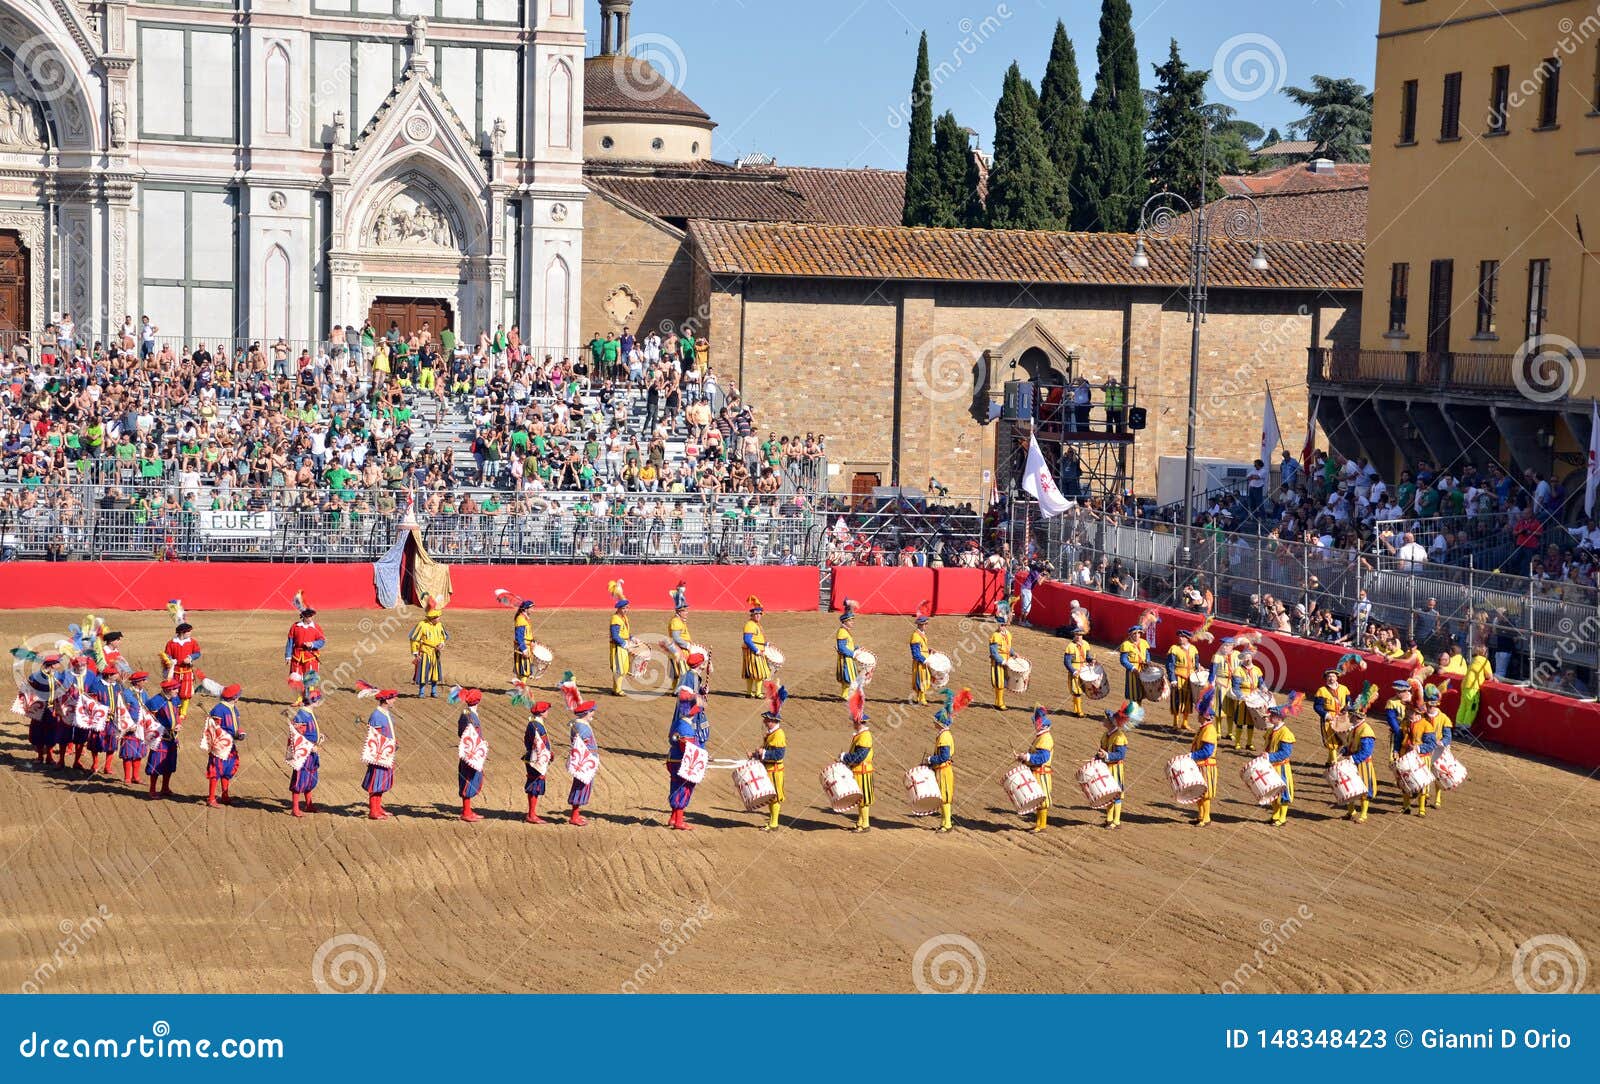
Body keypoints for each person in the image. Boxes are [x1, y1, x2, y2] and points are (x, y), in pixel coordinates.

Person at [925, 688, 970, 833]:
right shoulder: (944, 735)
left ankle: (947, 824)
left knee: (945, 797)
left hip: (944, 770)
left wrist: (930, 759)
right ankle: (945, 823)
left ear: (940, 723)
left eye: (935, 722)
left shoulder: (944, 737)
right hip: (942, 769)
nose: (934, 724)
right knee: (943, 797)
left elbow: (943, 756)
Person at [666, 687, 709, 830]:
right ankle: (679, 821)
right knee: (683, 789)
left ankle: (673, 818)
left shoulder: (678, 723)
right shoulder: (686, 728)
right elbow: (689, 750)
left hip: (673, 759)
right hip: (682, 763)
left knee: (675, 787)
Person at [1096, 701, 1141, 829]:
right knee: (1108, 794)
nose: (1104, 720)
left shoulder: (1119, 737)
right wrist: (1097, 758)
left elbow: (1120, 755)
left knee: (1116, 795)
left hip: (1115, 769)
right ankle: (1109, 819)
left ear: (1111, 722)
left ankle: (1116, 821)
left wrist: (1107, 756)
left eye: (1106, 719)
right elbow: (1102, 750)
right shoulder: (1106, 735)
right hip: (1107, 768)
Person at [1262, 695, 1303, 827]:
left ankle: (1283, 817)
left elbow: (1285, 753)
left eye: (1272, 715)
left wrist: (1269, 757)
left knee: (1283, 793)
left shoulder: (1285, 733)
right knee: (1273, 792)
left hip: (1281, 767)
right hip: (1272, 767)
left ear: (1279, 718)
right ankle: (1275, 814)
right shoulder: (1272, 730)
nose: (1269, 717)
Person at [753, 681, 787, 831]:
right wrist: (755, 755)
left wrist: (763, 753)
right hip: (770, 769)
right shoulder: (772, 733)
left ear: (773, 721)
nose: (764, 721)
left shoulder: (778, 734)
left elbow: (779, 754)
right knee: (771, 797)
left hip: (775, 770)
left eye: (767, 719)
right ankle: (773, 822)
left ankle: (774, 823)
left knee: (774, 797)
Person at [204, 683, 244, 809]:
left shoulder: (233, 709)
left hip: (230, 744)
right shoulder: (218, 710)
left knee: (227, 769)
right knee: (216, 771)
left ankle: (225, 796)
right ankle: (211, 798)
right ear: (235, 697)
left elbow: (236, 725)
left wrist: (239, 733)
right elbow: (214, 729)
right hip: (220, 746)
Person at [288, 675, 323, 818]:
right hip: (305, 753)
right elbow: (297, 737)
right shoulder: (302, 715)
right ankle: (295, 808)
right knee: (300, 779)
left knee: (310, 778)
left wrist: (319, 737)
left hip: (311, 752)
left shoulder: (307, 713)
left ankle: (308, 804)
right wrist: (310, 746)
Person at [362, 688, 400, 820]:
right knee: (376, 781)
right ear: (386, 700)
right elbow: (375, 737)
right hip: (379, 754)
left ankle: (378, 807)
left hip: (387, 753)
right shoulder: (376, 716)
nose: (395, 700)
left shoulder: (386, 713)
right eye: (393, 698)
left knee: (382, 781)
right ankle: (373, 811)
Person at [840, 688, 874, 832]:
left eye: (854, 721)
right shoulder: (860, 735)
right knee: (860, 798)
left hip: (863, 771)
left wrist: (844, 758)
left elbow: (859, 757)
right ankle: (861, 822)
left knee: (863, 798)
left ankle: (865, 824)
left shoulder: (864, 737)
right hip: (859, 771)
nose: (853, 723)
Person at [1398, 699, 1438, 817]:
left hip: (1421, 758)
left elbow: (1431, 744)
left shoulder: (1426, 725)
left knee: (1422, 784)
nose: (1406, 711)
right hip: (1405, 756)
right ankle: (1406, 806)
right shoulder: (1404, 723)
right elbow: (1398, 740)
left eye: (1408, 710)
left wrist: (1418, 748)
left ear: (1416, 712)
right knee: (1405, 782)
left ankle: (1421, 809)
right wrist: (1395, 751)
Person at [145, 678, 182, 800]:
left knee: (170, 763)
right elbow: (148, 720)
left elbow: (177, 713)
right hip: (160, 738)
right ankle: (152, 789)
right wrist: (159, 729)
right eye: (175, 689)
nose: (177, 690)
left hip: (172, 737)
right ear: (168, 690)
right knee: (156, 764)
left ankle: (165, 787)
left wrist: (178, 723)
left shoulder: (175, 699)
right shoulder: (155, 701)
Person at [1019, 707, 1054, 832]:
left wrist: (1027, 757)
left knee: (1042, 799)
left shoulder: (1045, 739)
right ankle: (1039, 824)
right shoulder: (1041, 737)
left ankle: (1042, 825)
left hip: (1042, 774)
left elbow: (1042, 757)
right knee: (1038, 799)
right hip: (1037, 772)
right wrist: (1023, 758)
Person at [1342, 706, 1378, 823]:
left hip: (1362, 764)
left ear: (1356, 717)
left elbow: (1366, 752)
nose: (1348, 717)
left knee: (1364, 789)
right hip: (1353, 762)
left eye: (1350, 715)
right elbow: (1350, 744)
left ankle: (1363, 814)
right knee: (1350, 787)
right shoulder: (1355, 728)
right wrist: (1345, 750)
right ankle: (1351, 811)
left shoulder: (1366, 731)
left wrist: (1352, 758)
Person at [1189, 688, 1220, 827]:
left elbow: (1207, 751)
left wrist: (1192, 756)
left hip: (1206, 765)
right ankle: (1201, 815)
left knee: (1205, 794)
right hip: (1201, 764)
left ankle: (1206, 818)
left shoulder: (1209, 730)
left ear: (1205, 716)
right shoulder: (1204, 728)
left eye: (1200, 714)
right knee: (1199, 793)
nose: (1198, 716)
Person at [568, 696, 600, 826]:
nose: (593, 713)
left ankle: (575, 814)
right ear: (587, 713)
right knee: (582, 786)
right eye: (592, 711)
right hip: (585, 761)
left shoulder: (578, 724)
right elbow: (583, 746)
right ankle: (574, 816)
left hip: (584, 761)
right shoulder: (583, 728)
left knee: (581, 785)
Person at [161, 620, 203, 721]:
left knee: (186, 693)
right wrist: (170, 660)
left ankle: (183, 712)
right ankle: (175, 709)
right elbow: (167, 655)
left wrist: (191, 657)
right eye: (188, 632)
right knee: (174, 692)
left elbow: (197, 653)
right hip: (175, 672)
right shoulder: (171, 643)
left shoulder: (192, 642)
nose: (190, 633)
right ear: (182, 633)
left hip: (187, 671)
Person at [1421, 684, 1453, 812]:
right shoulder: (1422, 715)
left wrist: (1443, 742)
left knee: (1437, 774)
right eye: (1429, 705)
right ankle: (1425, 792)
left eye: (1432, 705)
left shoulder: (1444, 718)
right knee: (1424, 771)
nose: (1430, 707)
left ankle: (1438, 797)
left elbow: (1448, 736)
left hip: (1438, 750)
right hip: (1425, 748)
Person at [456, 688, 486, 822]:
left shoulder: (465, 713)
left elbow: (460, 732)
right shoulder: (471, 716)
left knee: (467, 778)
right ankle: (466, 812)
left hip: (467, 751)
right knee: (469, 779)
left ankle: (467, 810)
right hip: (471, 753)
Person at [116, 671, 151, 784]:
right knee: (128, 754)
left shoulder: (144, 694)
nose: (146, 682)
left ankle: (136, 777)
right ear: (138, 682)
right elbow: (122, 710)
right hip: (129, 728)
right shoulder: (127, 693)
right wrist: (129, 725)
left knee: (138, 753)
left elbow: (147, 709)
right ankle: (127, 778)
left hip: (141, 728)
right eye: (144, 680)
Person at [87, 664, 121, 775]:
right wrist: (105, 710)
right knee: (96, 742)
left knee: (112, 743)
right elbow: (92, 703)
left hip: (114, 721)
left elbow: (122, 702)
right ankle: (95, 764)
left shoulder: (118, 686)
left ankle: (107, 766)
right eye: (116, 673)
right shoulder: (96, 686)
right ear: (110, 675)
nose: (118, 675)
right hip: (100, 720)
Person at [1230, 647, 1266, 752]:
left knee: (1251, 721)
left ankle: (1249, 743)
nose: (1248, 658)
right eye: (1246, 656)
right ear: (1243, 658)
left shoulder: (1257, 669)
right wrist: (1241, 696)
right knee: (1240, 721)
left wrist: (1264, 689)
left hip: (1254, 697)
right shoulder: (1238, 670)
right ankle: (1237, 743)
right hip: (1243, 697)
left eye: (1249, 656)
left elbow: (1261, 683)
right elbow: (1235, 687)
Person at [523, 701, 553, 824]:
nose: (548, 712)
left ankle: (532, 813)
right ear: (542, 712)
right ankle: (531, 815)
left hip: (530, 756)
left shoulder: (532, 724)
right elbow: (542, 745)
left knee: (533, 783)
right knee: (535, 785)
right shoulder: (538, 726)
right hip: (536, 759)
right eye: (546, 710)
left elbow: (526, 741)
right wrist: (548, 754)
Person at [1312, 669, 1350, 767]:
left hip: (1342, 716)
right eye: (1329, 676)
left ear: (1337, 677)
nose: (1331, 678)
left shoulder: (1344, 689)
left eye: (1333, 676)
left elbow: (1349, 701)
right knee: (1331, 740)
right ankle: (1334, 762)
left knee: (1343, 739)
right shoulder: (1322, 690)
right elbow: (1317, 706)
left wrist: (1347, 707)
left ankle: (1329, 761)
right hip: (1329, 717)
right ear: (1326, 678)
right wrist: (1325, 714)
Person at [1166, 628, 1201, 732]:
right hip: (1178, 677)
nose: (1180, 638)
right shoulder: (1174, 649)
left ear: (1187, 638)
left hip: (1190, 678)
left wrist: (1199, 667)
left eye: (1183, 637)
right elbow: (1170, 665)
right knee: (1177, 699)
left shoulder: (1194, 649)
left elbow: (1196, 663)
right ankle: (1175, 723)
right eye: (1179, 636)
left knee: (1188, 701)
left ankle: (1185, 722)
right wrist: (1172, 679)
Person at [409, 606, 448, 698]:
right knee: (423, 672)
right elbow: (414, 639)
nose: (439, 618)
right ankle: (421, 692)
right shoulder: (421, 625)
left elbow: (443, 637)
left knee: (435, 672)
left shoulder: (439, 625)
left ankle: (433, 691)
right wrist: (415, 653)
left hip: (435, 652)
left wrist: (442, 644)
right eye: (438, 617)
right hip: (424, 652)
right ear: (432, 618)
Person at [285, 602, 326, 679]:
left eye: (311, 616)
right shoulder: (295, 627)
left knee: (310, 680)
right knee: (296, 680)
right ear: (303, 616)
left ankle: (309, 691)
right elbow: (290, 642)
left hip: (310, 657)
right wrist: (288, 656)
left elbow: (322, 641)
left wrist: (313, 644)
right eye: (308, 616)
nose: (311, 618)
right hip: (297, 657)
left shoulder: (316, 627)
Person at [741, 596, 772, 698]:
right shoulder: (750, 625)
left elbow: (756, 638)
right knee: (759, 672)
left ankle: (749, 693)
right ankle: (757, 693)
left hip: (756, 650)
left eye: (760, 614)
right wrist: (757, 650)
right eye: (756, 614)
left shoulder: (756, 625)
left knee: (751, 673)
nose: (758, 616)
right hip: (753, 652)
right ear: (752, 615)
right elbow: (747, 640)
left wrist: (765, 644)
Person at [1457, 643, 1492, 733]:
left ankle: (1458, 727)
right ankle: (1465, 729)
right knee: (1472, 707)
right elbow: (1489, 676)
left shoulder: (1474, 659)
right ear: (1484, 652)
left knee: (1463, 706)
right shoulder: (1484, 661)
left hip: (1465, 685)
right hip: (1473, 687)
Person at [1061, 627, 1094, 718]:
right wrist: (1073, 670)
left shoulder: (1086, 644)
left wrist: (1091, 660)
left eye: (1080, 635)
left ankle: (1077, 710)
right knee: (1077, 691)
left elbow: (1087, 657)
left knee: (1081, 690)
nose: (1079, 637)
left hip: (1083, 669)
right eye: (1077, 635)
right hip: (1075, 669)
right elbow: (1067, 661)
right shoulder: (1070, 646)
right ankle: (1078, 711)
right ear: (1074, 635)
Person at [607, 579, 632, 696]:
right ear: (619, 609)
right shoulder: (616, 619)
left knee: (621, 668)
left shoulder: (623, 618)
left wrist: (632, 637)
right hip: (618, 646)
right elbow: (615, 635)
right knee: (620, 669)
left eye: (627, 608)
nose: (626, 610)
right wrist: (624, 643)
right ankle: (617, 690)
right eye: (624, 608)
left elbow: (624, 632)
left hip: (622, 644)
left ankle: (615, 688)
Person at [988, 601, 1013, 711]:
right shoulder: (995, 635)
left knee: (1005, 682)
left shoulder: (1008, 634)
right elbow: (994, 652)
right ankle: (999, 703)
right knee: (1000, 682)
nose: (1001, 626)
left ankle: (999, 702)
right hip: (999, 662)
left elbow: (1008, 647)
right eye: (1000, 624)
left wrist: (1014, 653)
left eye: (1002, 625)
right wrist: (1002, 661)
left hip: (1007, 660)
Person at [667, 582, 693, 684]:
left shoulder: (680, 621)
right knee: (680, 671)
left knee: (680, 671)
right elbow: (676, 638)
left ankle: (677, 689)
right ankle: (677, 690)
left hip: (682, 649)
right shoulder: (676, 622)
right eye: (685, 610)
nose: (687, 612)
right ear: (679, 612)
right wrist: (687, 645)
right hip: (679, 649)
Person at [834, 601, 861, 700]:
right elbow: (842, 648)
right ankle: (847, 696)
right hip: (845, 659)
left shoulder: (845, 631)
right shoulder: (842, 632)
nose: (852, 622)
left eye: (853, 620)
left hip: (848, 658)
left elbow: (847, 646)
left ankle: (845, 695)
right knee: (849, 678)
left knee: (849, 678)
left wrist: (857, 648)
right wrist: (853, 653)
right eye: (850, 620)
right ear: (845, 622)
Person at [909, 602, 933, 706]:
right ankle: (921, 699)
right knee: (922, 679)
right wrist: (924, 660)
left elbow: (922, 648)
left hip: (924, 659)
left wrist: (929, 650)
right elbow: (915, 653)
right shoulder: (916, 636)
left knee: (925, 679)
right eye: (925, 624)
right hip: (920, 661)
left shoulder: (921, 634)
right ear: (921, 624)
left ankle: (921, 698)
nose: (926, 625)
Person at [1118, 625, 1149, 705]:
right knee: (1133, 693)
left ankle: (1138, 712)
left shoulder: (1144, 643)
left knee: (1141, 693)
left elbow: (1147, 654)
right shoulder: (1126, 644)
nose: (1137, 635)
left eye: (1139, 633)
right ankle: (1132, 714)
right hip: (1132, 671)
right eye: (1135, 633)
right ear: (1131, 635)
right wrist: (1132, 668)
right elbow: (1123, 660)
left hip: (1143, 669)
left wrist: (1148, 662)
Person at [512, 600, 537, 681]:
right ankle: (521, 691)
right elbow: (519, 636)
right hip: (522, 646)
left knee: (522, 669)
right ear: (525, 609)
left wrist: (532, 641)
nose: (533, 610)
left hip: (526, 645)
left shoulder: (524, 618)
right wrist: (524, 648)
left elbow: (527, 633)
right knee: (524, 670)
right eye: (531, 608)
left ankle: (519, 689)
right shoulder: (521, 619)